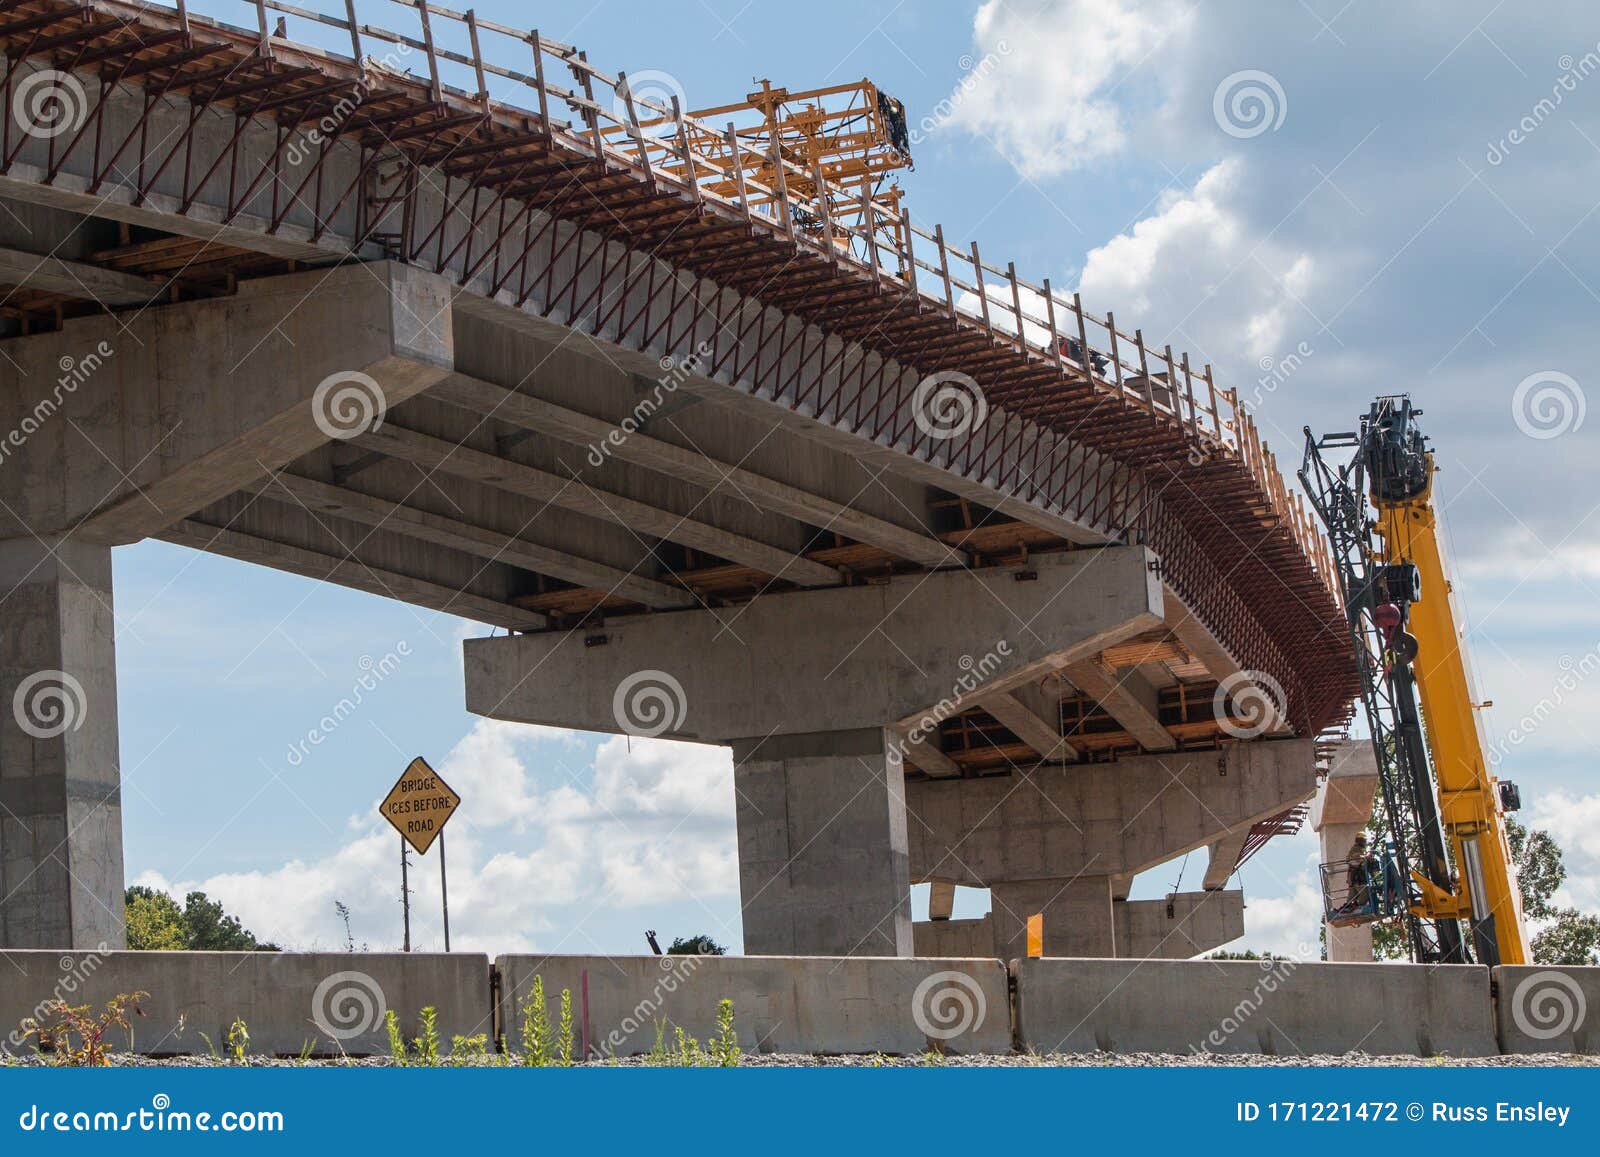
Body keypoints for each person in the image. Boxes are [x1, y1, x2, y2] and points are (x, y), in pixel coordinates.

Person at [1345, 833, 1373, 912]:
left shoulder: (1359, 849)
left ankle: (1348, 909)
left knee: (1352, 897)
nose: (1365, 842)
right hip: (1357, 878)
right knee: (1366, 893)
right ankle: (1356, 909)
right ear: (1361, 841)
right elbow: (1355, 858)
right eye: (1364, 841)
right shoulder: (1356, 849)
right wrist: (1365, 857)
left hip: (1354, 879)